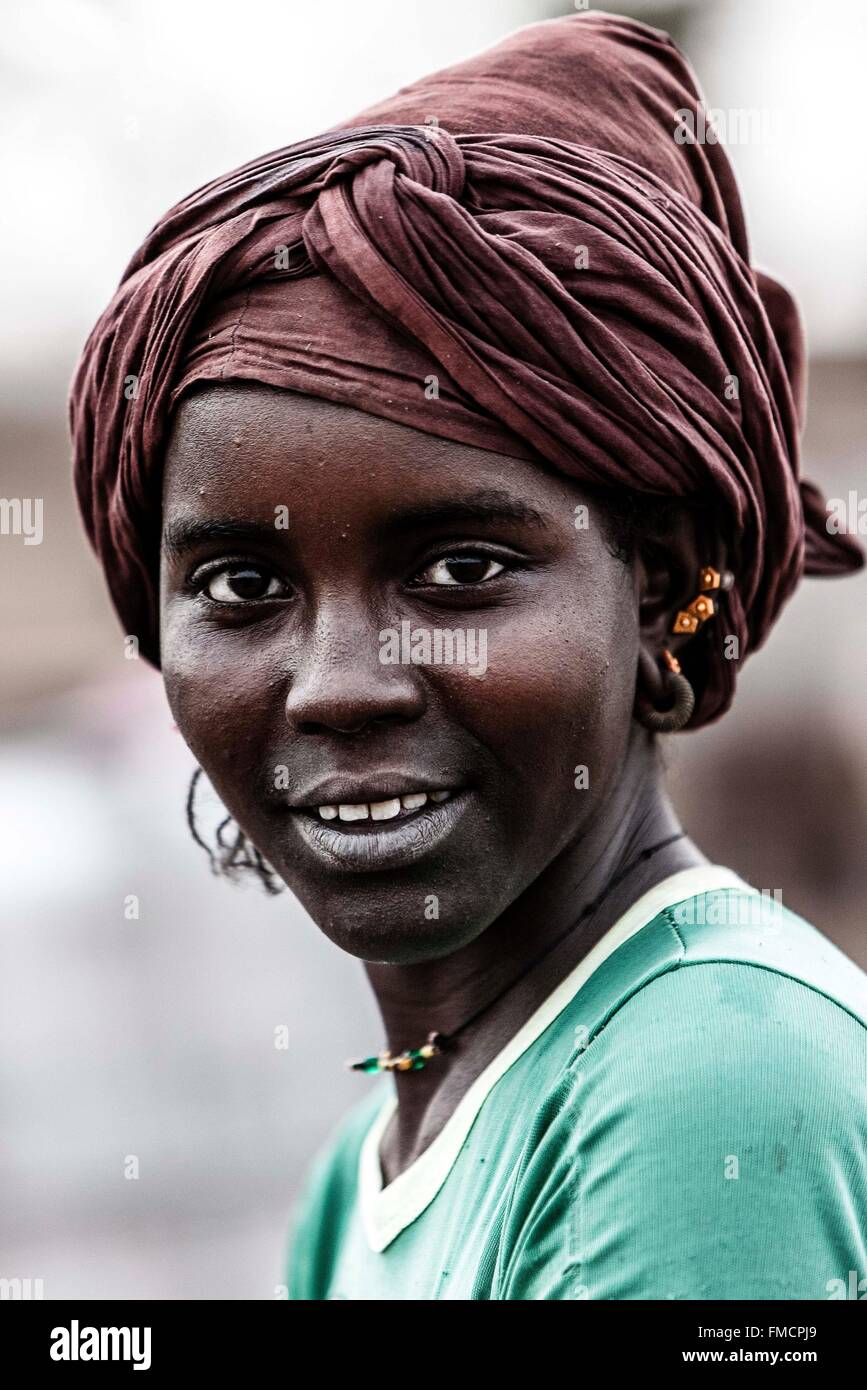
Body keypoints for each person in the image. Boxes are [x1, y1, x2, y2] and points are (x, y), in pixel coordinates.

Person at [68, 11, 867, 1299]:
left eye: (458, 571)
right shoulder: (368, 1170)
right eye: (241, 584)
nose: (336, 684)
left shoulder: (708, 1075)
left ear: (661, 595)